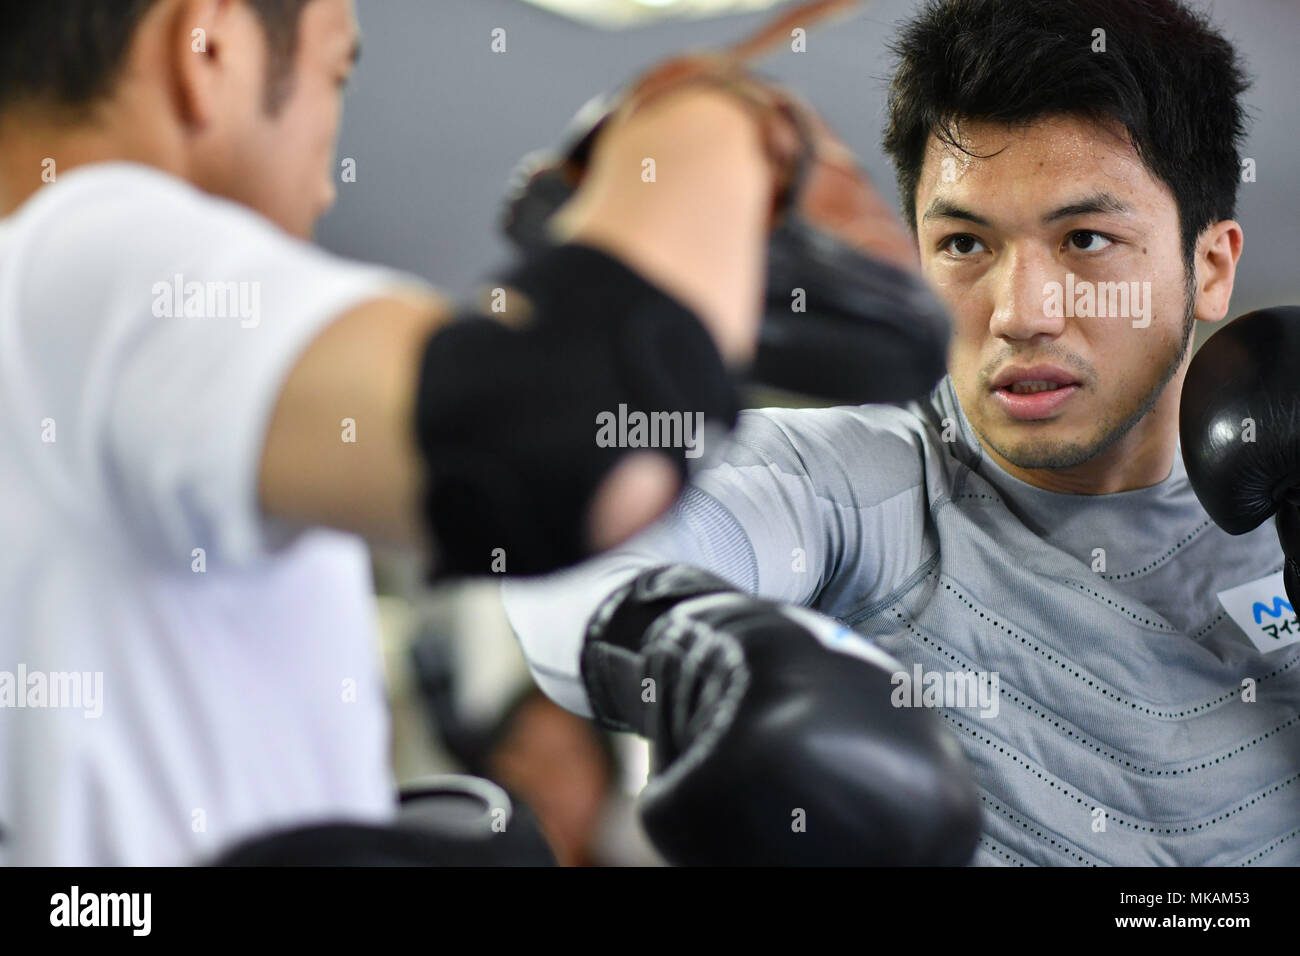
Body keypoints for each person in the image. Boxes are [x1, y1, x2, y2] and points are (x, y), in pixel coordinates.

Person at [0, 0, 871, 864]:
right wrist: (715, 115)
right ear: (209, 48)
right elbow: (561, 443)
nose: (324, 175)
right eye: (333, 75)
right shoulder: (84, 243)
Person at [502, 0, 1300, 866]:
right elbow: (582, 552)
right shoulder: (858, 490)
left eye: (1086, 239)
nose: (1020, 314)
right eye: (964, 244)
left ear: (1210, 266)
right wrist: (699, 649)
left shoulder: (1283, 502)